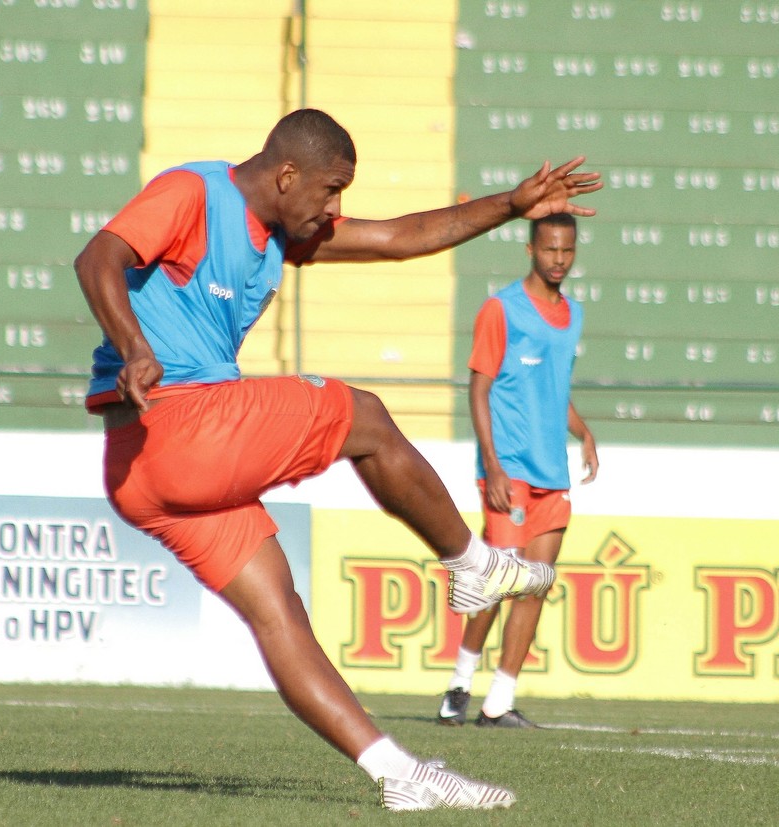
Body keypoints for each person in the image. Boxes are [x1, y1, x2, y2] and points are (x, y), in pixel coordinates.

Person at [73, 108, 601, 811]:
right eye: (331, 189)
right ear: (287, 174)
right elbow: (96, 257)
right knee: (364, 414)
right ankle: (472, 564)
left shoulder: (278, 235)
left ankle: (398, 773)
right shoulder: (195, 193)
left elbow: (397, 238)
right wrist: (135, 345)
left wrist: (510, 205)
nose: (337, 207)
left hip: (146, 473)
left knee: (279, 611)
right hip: (176, 424)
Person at [437, 212, 599, 729]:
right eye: (550, 249)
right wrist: (493, 464)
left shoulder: (572, 314)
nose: (559, 259)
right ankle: (459, 685)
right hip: (509, 471)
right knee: (497, 581)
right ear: (531, 249)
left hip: (553, 473)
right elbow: (479, 389)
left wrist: (585, 431)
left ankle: (498, 702)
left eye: (567, 250)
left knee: (535, 584)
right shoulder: (500, 309)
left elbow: (554, 389)